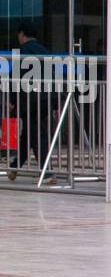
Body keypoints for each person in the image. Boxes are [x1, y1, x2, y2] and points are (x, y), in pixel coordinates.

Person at [6, 23, 55, 183]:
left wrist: (12, 101)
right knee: (29, 133)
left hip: (29, 101)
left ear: (22, 34)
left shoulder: (22, 53)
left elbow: (16, 79)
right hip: (45, 99)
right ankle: (14, 167)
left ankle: (47, 173)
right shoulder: (44, 52)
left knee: (35, 135)